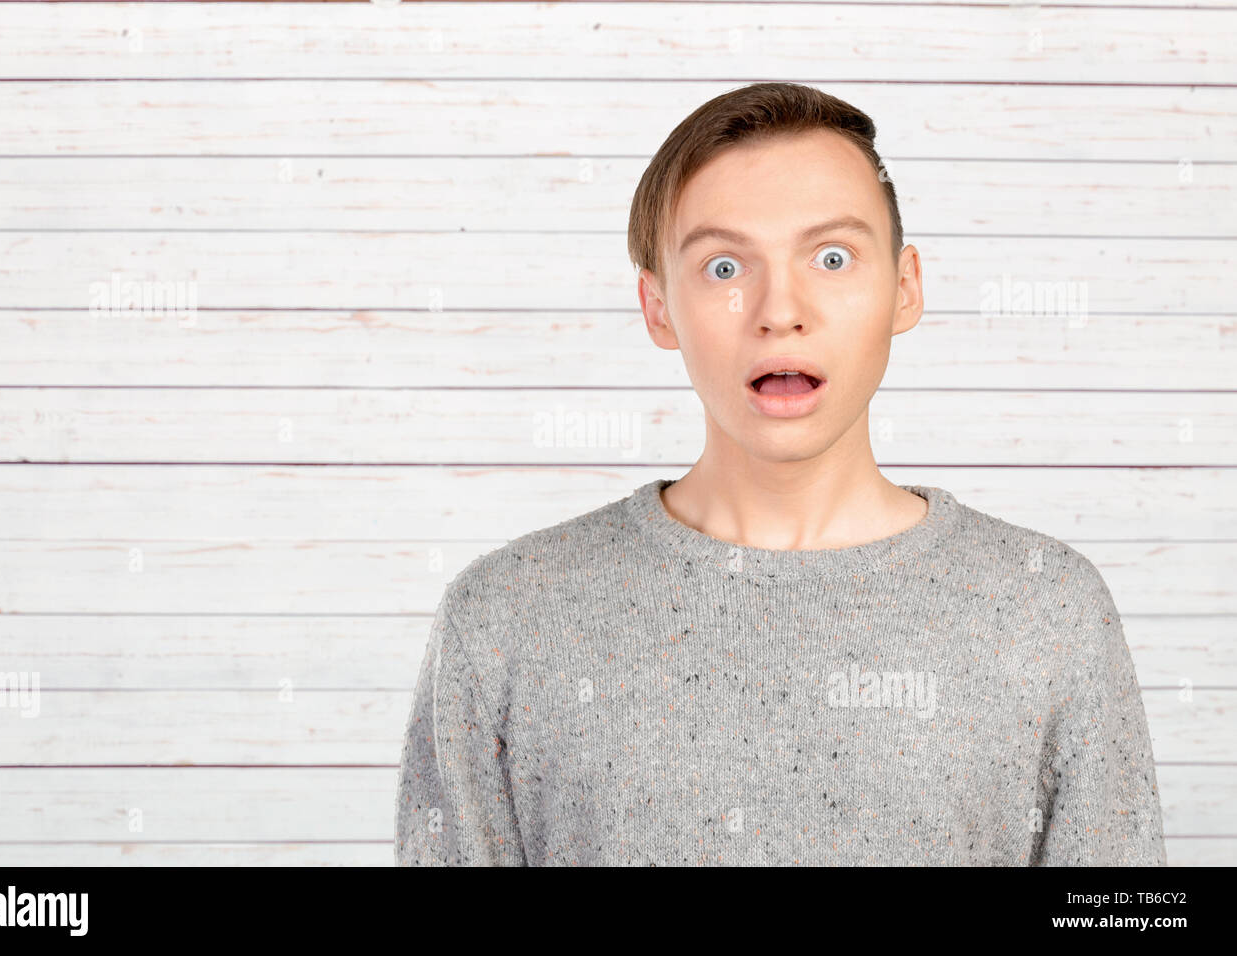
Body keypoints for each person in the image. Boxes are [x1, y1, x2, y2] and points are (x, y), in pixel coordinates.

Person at [394, 81, 1167, 866]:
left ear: (905, 288)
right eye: (725, 266)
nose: (780, 309)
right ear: (658, 307)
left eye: (833, 257)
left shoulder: (1047, 609)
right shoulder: (503, 619)